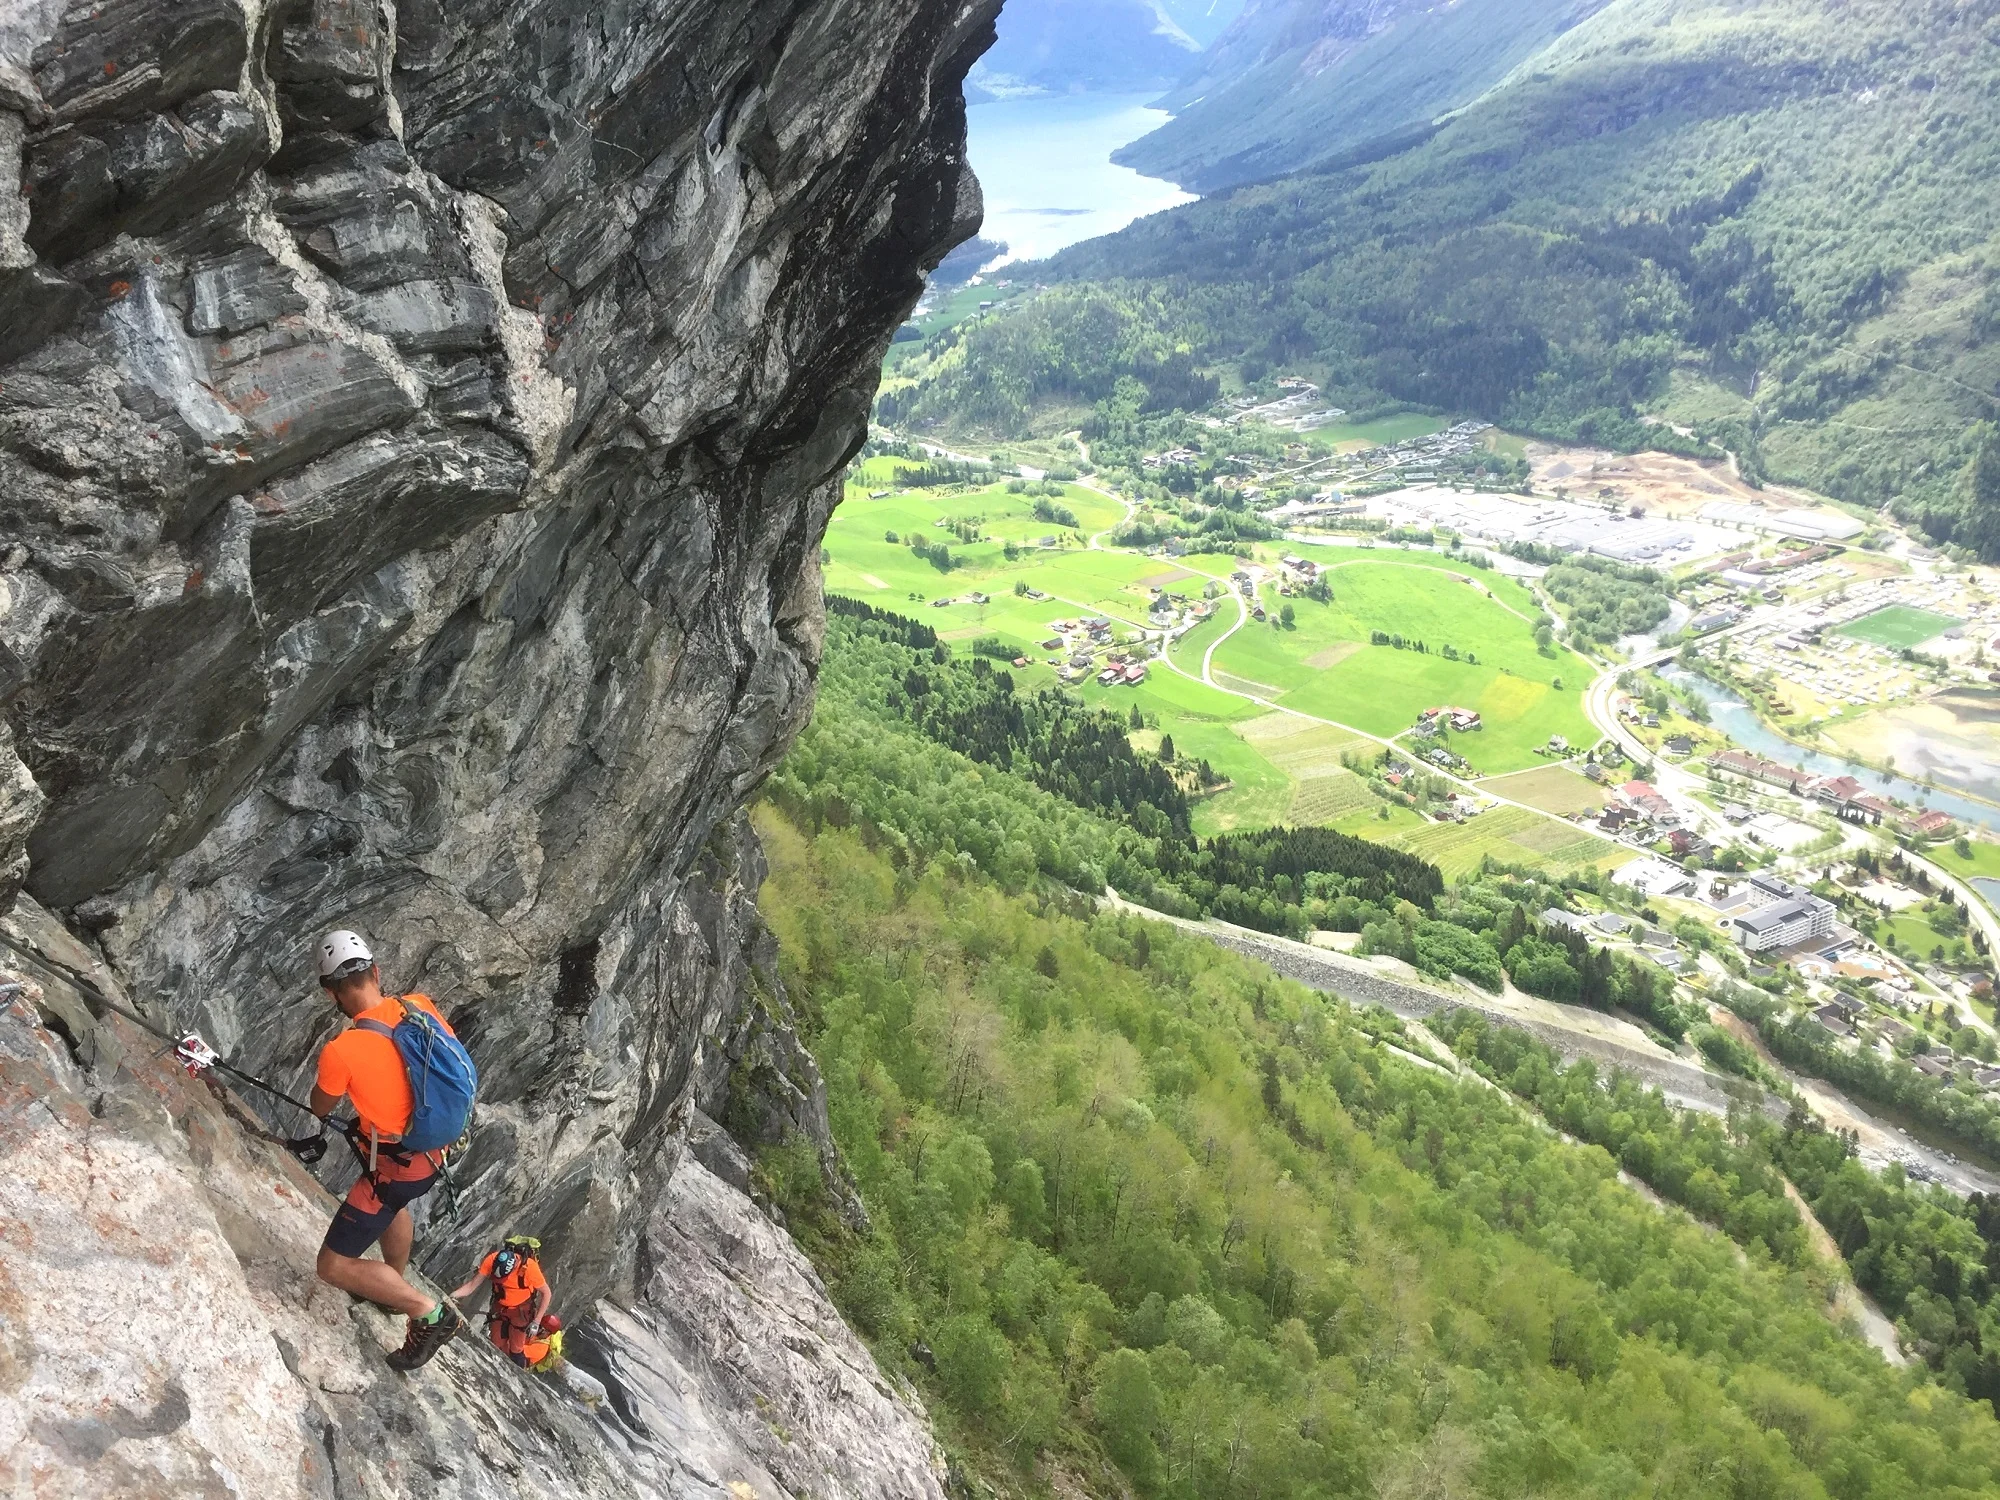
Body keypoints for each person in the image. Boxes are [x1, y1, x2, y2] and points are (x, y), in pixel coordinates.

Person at [295, 929, 466, 1371]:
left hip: (395, 1167)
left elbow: (320, 1105)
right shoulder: (419, 1007)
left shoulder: (342, 1050)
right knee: (394, 1207)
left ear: (330, 992)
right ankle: (392, 1285)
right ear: (376, 971)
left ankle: (427, 1312)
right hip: (433, 1151)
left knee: (332, 1266)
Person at [453, 1236, 552, 1366]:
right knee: (497, 1344)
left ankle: (517, 1372)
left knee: (516, 1349)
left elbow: (547, 1293)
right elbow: (471, 1286)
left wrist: (536, 1322)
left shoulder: (529, 1268)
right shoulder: (491, 1260)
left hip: (521, 1311)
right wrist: (451, 1296)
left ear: (514, 1265)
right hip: (500, 1308)